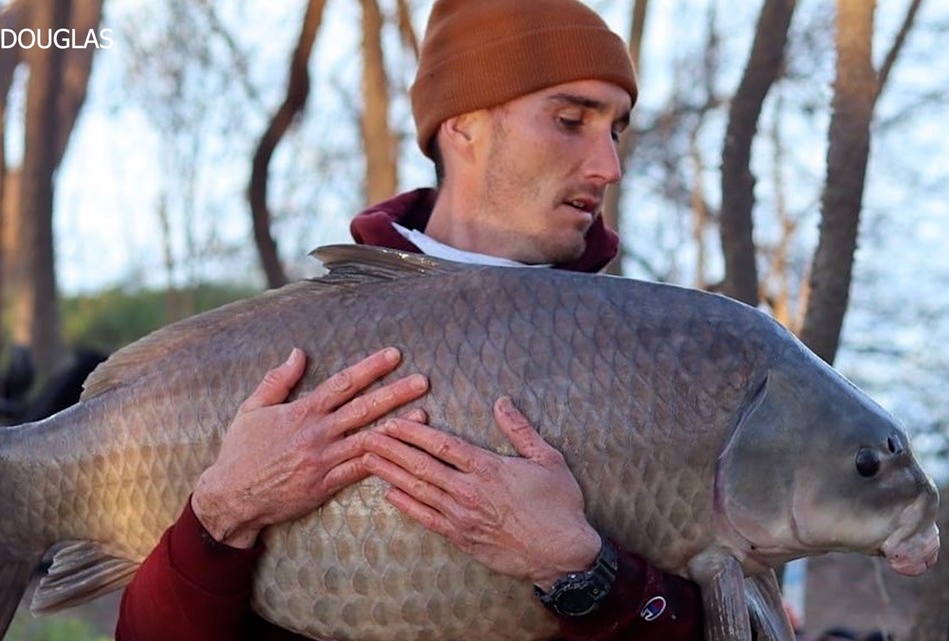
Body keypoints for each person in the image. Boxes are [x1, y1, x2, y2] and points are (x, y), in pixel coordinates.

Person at [116, 0, 706, 639]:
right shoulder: (289, 347)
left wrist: (585, 572)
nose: (608, 167)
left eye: (615, 130)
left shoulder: (655, 361)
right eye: (570, 121)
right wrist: (221, 513)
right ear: (464, 125)